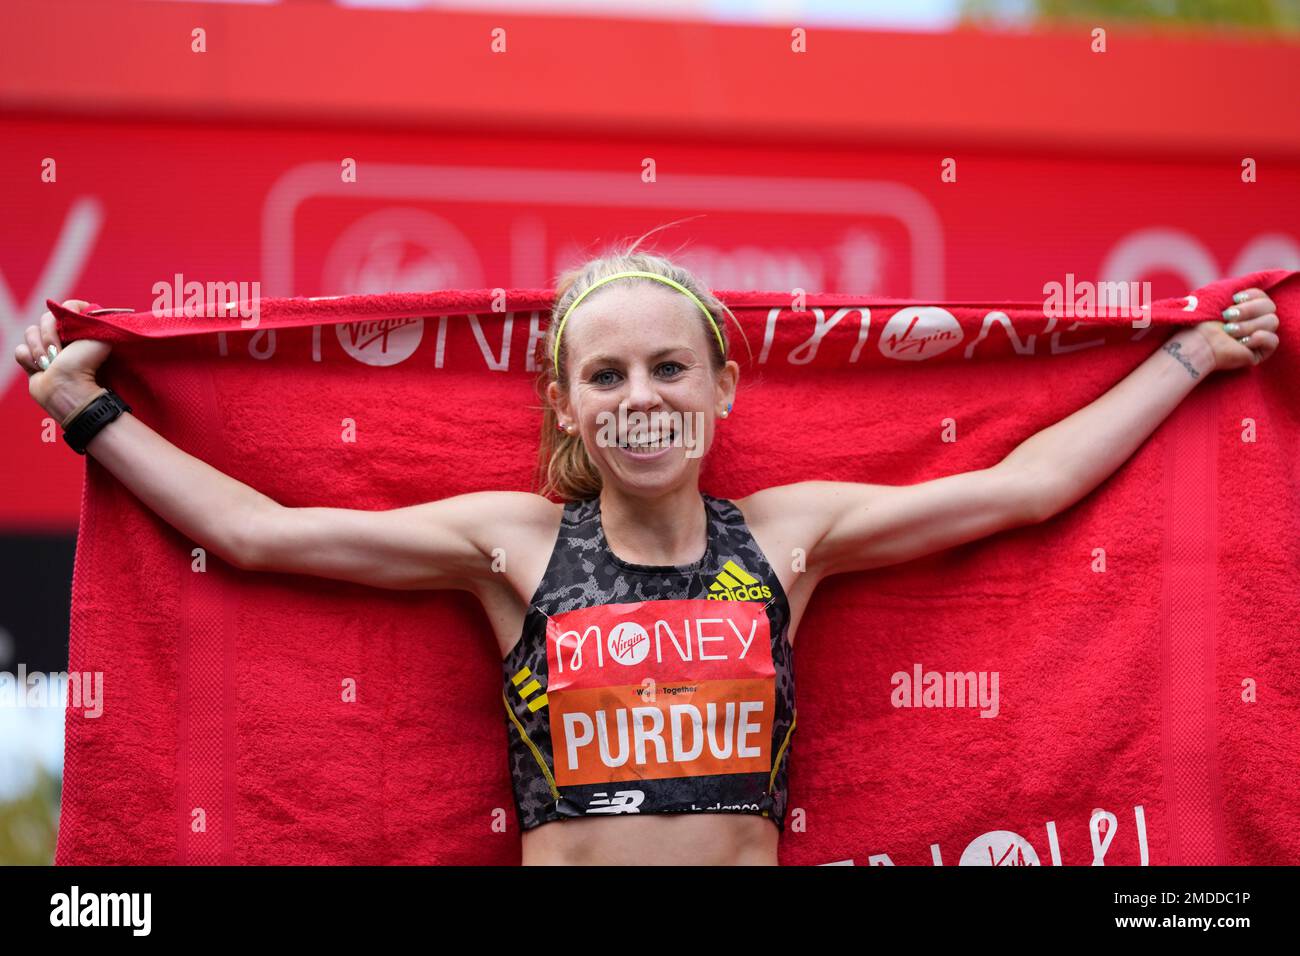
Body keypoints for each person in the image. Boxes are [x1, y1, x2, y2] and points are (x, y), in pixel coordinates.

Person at [15, 240, 1281, 866]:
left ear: (723, 386)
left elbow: (1026, 486)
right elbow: (255, 532)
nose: (640, 396)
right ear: (565, 406)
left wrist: (1192, 358)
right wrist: (90, 412)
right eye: (603, 373)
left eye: (670, 366)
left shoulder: (789, 536)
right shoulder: (506, 546)